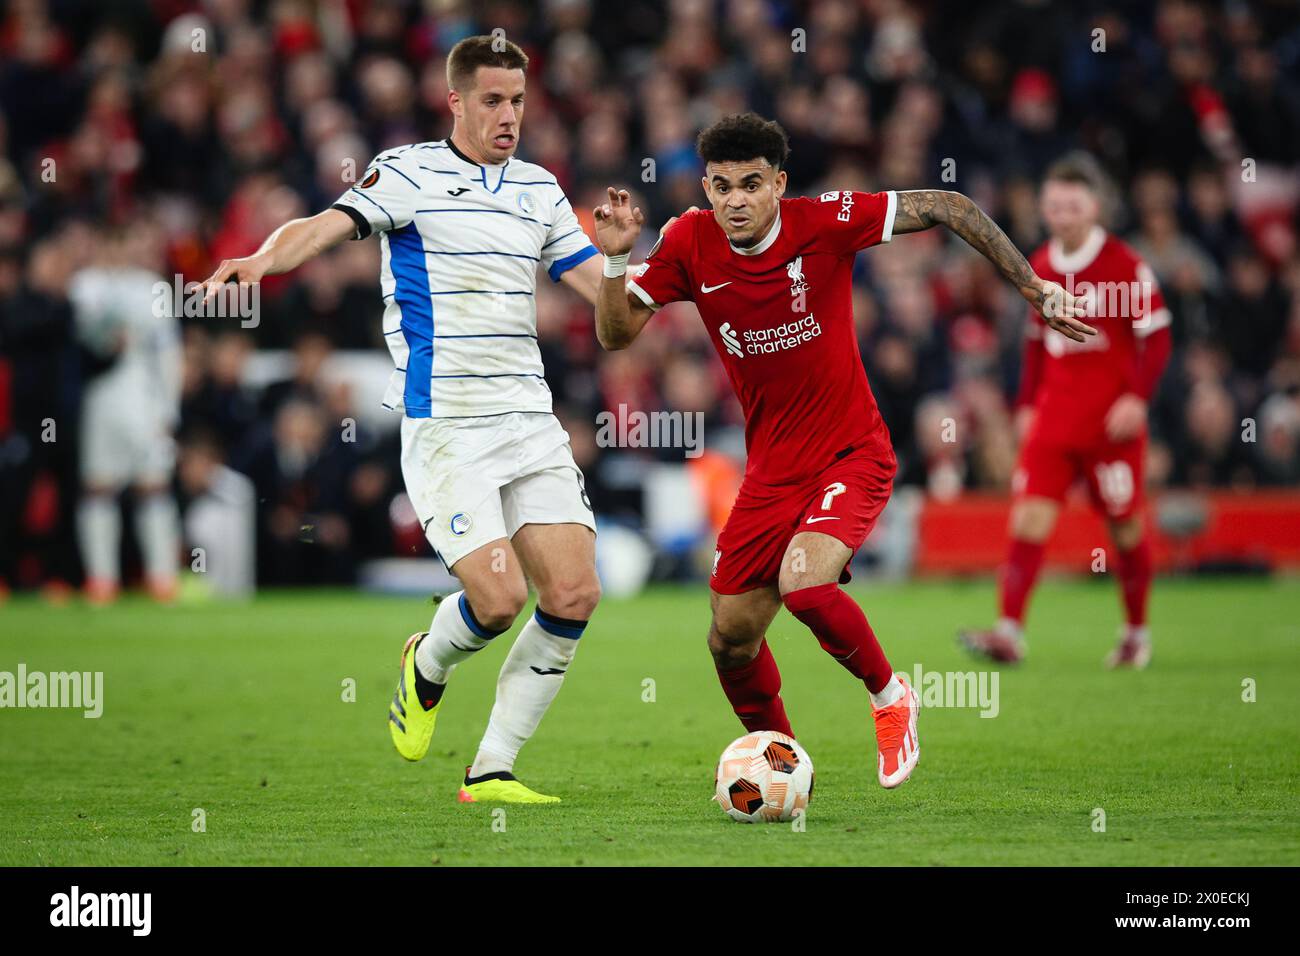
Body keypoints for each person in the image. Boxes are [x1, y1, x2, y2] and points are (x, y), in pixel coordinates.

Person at [592, 113, 1093, 789]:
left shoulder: (824, 221)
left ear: (779, 184)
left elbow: (949, 205)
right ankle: (783, 762)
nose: (734, 200)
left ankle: (892, 698)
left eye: (750, 184)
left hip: (852, 452)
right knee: (730, 637)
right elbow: (616, 336)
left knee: (805, 584)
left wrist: (1032, 287)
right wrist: (617, 262)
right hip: (772, 470)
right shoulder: (688, 240)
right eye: (720, 186)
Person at [203, 36, 618, 804]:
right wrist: (263, 260)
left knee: (573, 594)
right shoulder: (409, 173)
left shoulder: (541, 188)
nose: (509, 116)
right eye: (492, 100)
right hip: (449, 424)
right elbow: (323, 226)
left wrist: (635, 267)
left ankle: (491, 770)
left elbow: (609, 299)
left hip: (529, 419)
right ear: (454, 101)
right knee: (496, 602)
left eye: (519, 101)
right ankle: (426, 664)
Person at [959, 153, 1172, 668]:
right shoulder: (1041, 266)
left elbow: (1158, 337)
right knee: (1028, 520)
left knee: (1125, 529)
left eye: (1072, 206)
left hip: (1109, 425)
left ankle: (1135, 634)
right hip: (1055, 418)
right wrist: (1027, 406)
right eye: (1053, 206)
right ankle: (1009, 633)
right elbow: (1035, 345)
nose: (1062, 215)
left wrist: (1136, 398)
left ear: (1094, 207)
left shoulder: (1124, 265)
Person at [71, 222, 182, 604]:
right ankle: (102, 580)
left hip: (145, 398)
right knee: (99, 486)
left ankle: (161, 578)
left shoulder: (153, 287)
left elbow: (169, 352)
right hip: (99, 399)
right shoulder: (84, 285)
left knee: (153, 485)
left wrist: (170, 406)